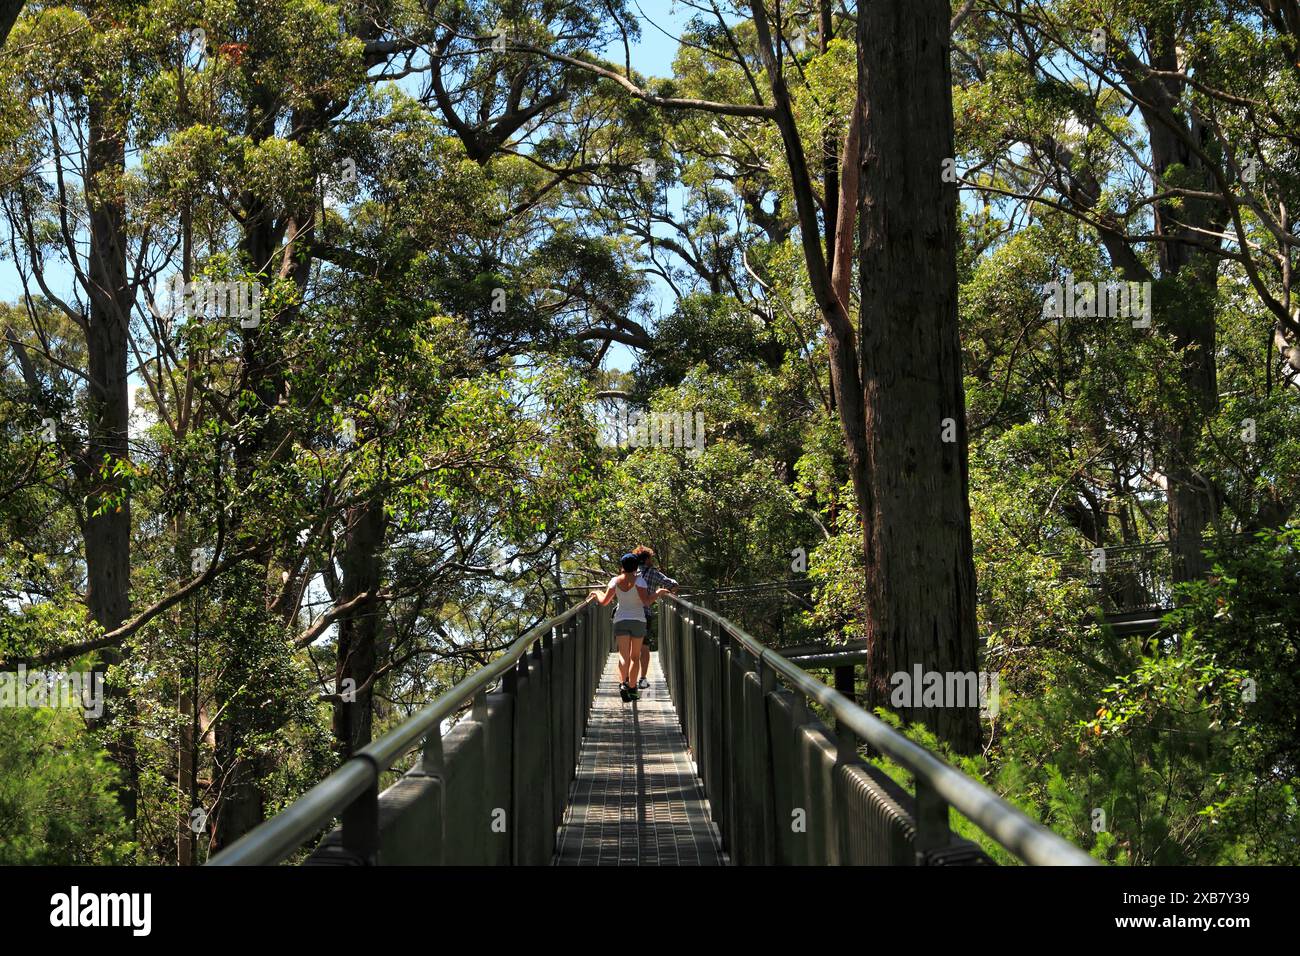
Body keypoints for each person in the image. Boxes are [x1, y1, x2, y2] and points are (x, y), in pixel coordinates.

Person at [590, 553, 669, 702]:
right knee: (635, 657)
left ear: (622, 566)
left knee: (623, 656)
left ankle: (623, 684)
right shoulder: (640, 582)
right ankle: (633, 689)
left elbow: (605, 601)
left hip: (620, 620)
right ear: (636, 567)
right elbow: (646, 602)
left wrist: (597, 593)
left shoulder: (615, 581)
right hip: (638, 621)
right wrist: (658, 593)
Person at [632, 546, 679, 690]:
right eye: (651, 558)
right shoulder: (652, 572)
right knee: (644, 647)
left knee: (629, 649)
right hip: (644, 614)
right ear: (646, 559)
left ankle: (628, 680)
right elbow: (672, 584)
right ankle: (643, 679)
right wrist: (673, 589)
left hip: (626, 614)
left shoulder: (630, 572)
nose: (652, 561)